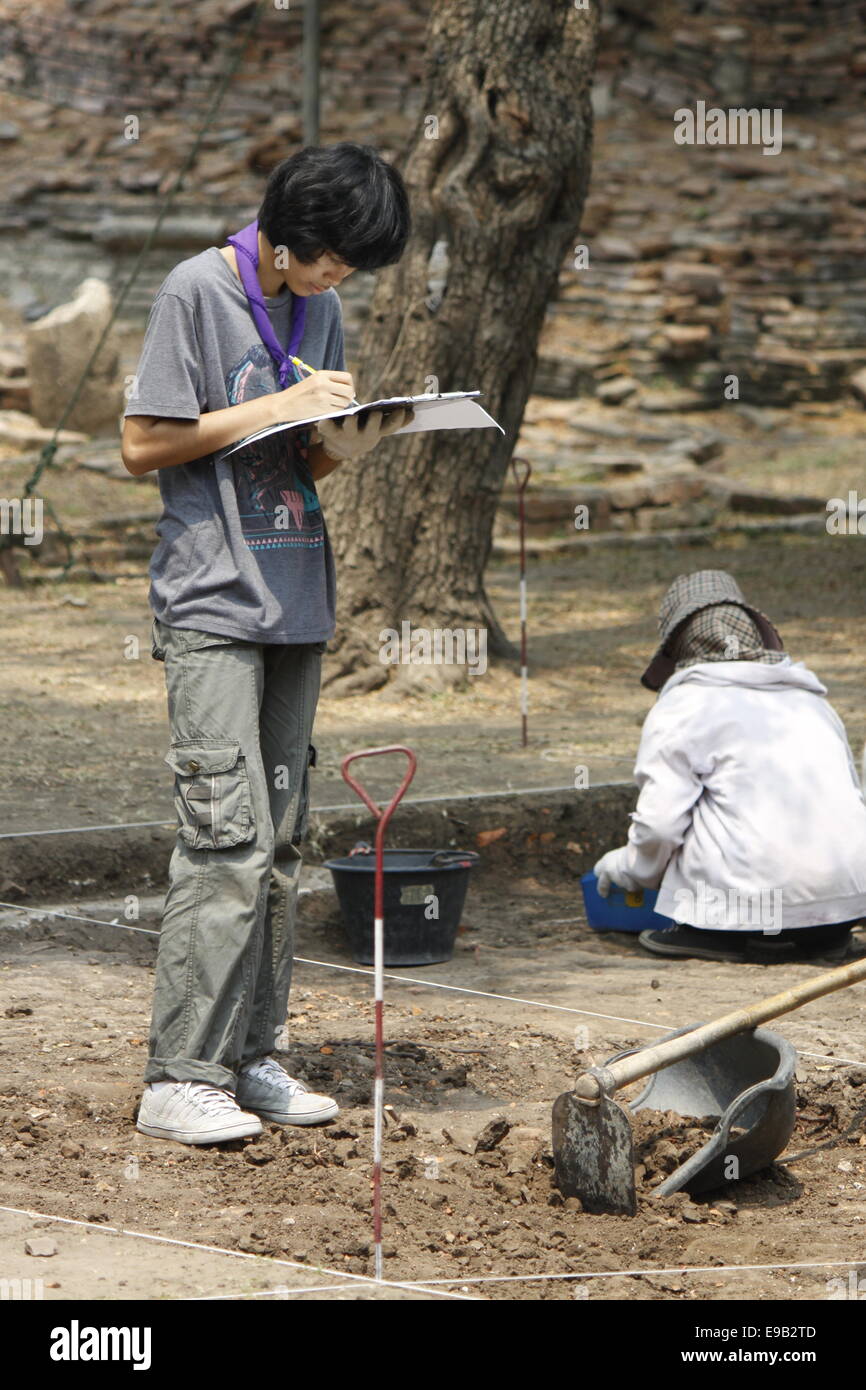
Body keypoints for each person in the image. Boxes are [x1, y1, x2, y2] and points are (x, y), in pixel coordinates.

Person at [121, 143, 413, 1144]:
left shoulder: (319, 306)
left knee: (280, 846)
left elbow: (303, 465)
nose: (340, 281)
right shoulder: (194, 291)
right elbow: (144, 444)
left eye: (351, 266)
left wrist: (351, 434)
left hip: (296, 596)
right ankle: (178, 1075)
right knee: (224, 837)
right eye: (331, 260)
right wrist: (279, 403)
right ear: (285, 240)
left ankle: (250, 1056)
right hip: (210, 598)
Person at [593, 570, 866, 963]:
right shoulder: (813, 700)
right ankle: (817, 937)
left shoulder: (685, 705)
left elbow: (661, 825)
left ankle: (725, 936)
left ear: (678, 646)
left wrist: (626, 868)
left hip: (738, 916)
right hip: (844, 907)